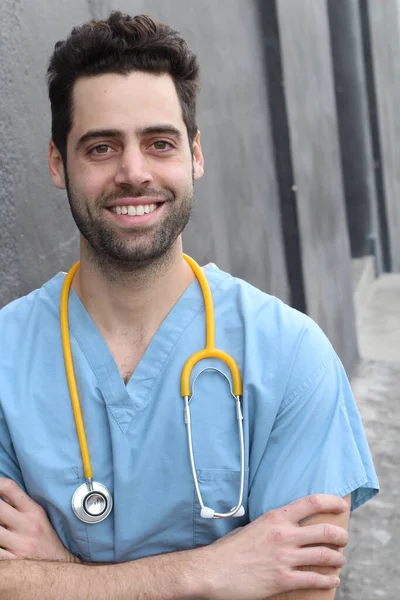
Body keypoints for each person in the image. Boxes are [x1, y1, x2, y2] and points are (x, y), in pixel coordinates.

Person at [0, 11, 378, 600]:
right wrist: (207, 573)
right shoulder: (5, 356)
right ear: (57, 163)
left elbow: (299, 594)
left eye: (159, 143)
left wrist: (57, 576)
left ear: (195, 154)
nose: (133, 172)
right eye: (101, 147)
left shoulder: (290, 356)